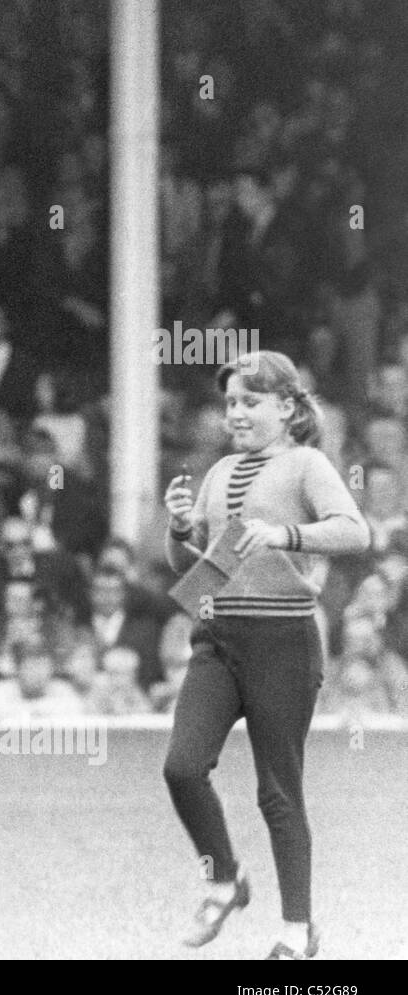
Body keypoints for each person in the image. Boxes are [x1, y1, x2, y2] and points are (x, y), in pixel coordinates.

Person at [162, 350, 369, 960]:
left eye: (250, 401)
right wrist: (179, 532)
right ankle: (225, 880)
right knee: (181, 767)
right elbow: (196, 577)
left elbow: (355, 531)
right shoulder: (222, 471)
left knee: (278, 791)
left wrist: (286, 534)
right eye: (230, 402)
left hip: (283, 643)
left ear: (287, 407)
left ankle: (297, 933)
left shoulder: (306, 463)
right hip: (218, 639)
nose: (236, 413)